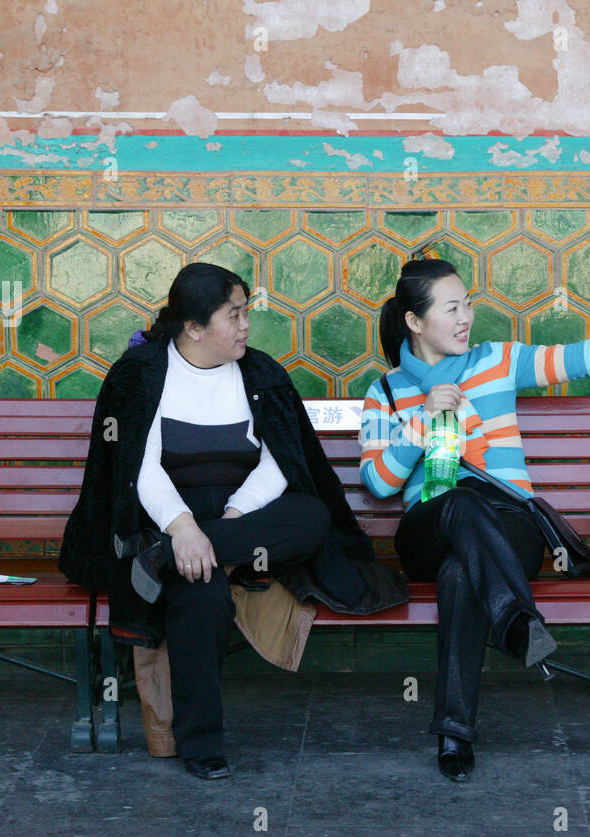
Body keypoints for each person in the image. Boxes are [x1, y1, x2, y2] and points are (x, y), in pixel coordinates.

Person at [360, 255, 590, 782]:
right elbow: (378, 483)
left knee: (464, 573)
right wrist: (421, 418)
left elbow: (579, 358)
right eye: (451, 308)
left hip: (511, 527)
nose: (466, 318)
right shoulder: (386, 392)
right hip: (430, 529)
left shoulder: (499, 361)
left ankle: (456, 734)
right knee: (460, 503)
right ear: (414, 321)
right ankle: (520, 622)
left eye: (468, 305)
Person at [59, 262, 405, 781]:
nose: (246, 325)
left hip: (242, 523)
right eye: (234, 314)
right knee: (202, 594)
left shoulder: (260, 373)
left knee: (310, 515)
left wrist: (230, 522)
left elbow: (282, 462)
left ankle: (170, 562)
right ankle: (201, 745)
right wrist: (183, 531)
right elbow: (138, 469)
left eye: (246, 312)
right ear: (194, 328)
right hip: (169, 522)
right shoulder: (142, 373)